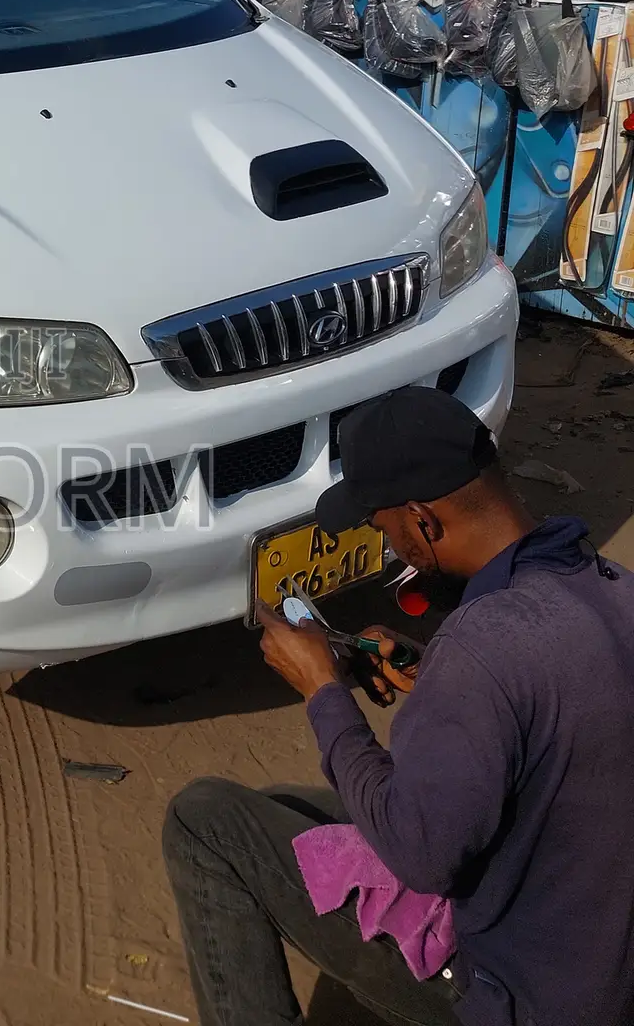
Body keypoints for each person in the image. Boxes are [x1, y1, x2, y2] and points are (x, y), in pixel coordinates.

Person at [162, 386, 634, 1026]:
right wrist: (437, 674)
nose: (390, 546)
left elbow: (420, 853)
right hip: (601, 950)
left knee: (204, 820)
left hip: (520, 999)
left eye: (384, 529)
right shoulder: (609, 589)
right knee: (287, 807)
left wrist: (323, 691)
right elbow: (554, 705)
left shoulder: (483, 650)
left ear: (423, 521)